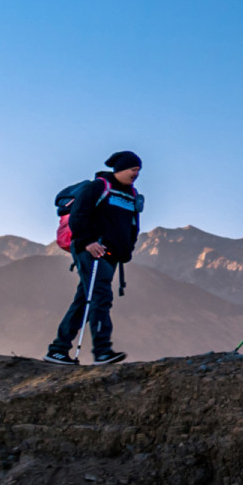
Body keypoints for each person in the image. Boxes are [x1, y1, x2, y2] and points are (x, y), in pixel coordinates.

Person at [44, 151, 144, 366]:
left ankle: (58, 350)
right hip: (91, 250)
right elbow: (79, 215)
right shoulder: (99, 187)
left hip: (111, 255)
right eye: (133, 169)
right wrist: (87, 242)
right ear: (120, 168)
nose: (136, 173)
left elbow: (133, 225)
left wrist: (127, 250)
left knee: (85, 300)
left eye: (138, 170)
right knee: (100, 296)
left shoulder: (132, 195)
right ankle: (102, 351)